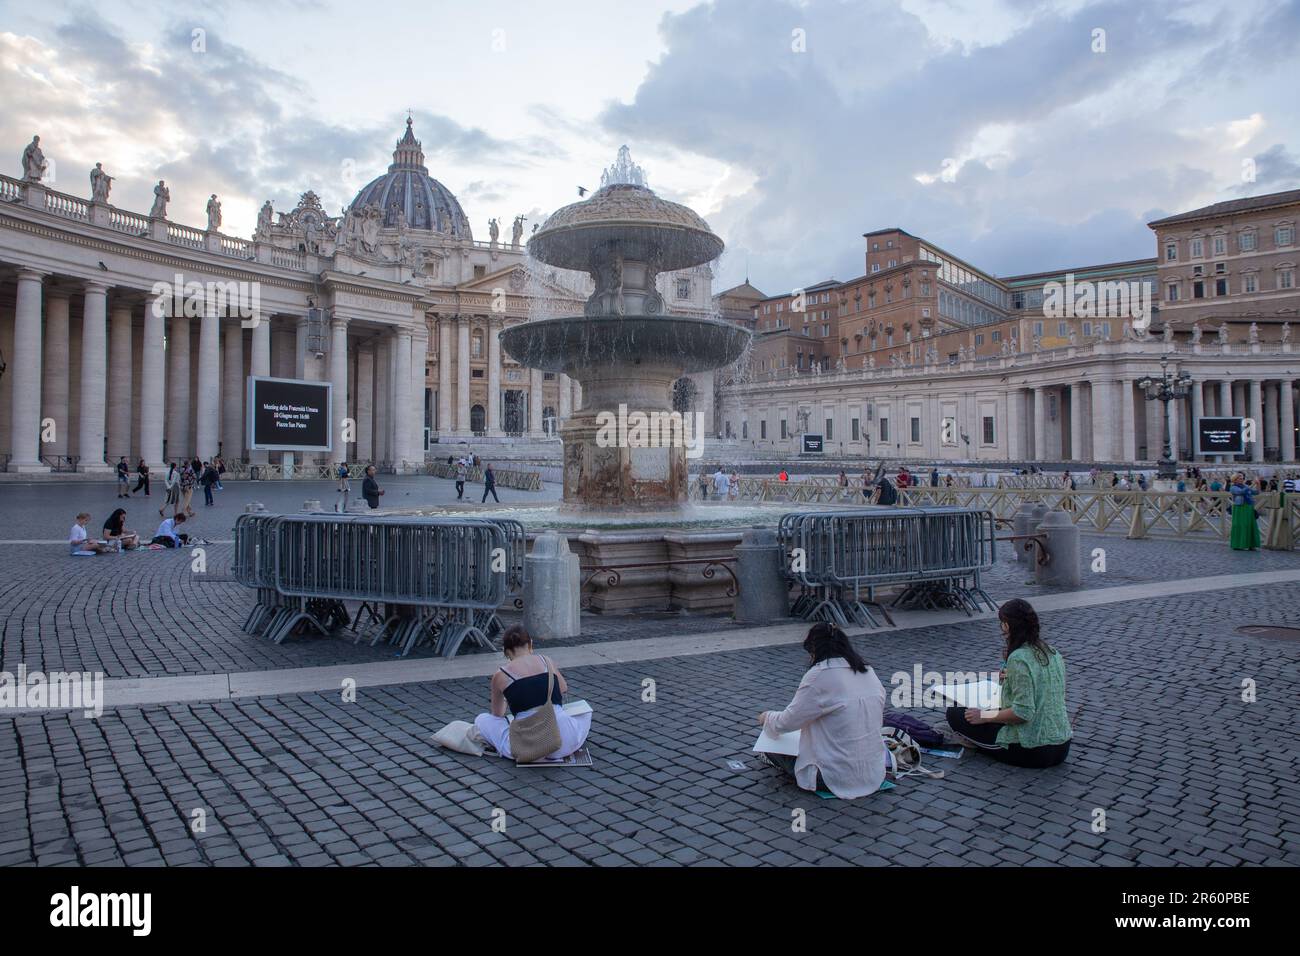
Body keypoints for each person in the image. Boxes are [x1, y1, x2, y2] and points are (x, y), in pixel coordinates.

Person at [758, 622, 887, 799]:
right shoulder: (868, 671)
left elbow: (786, 722)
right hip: (874, 773)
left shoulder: (819, 675)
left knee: (770, 739)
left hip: (831, 777)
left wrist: (767, 717)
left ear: (814, 651)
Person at [945, 598, 1071, 768]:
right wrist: (1010, 680)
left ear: (1010, 627)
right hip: (1062, 745)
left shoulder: (1018, 658)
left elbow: (1023, 712)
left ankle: (981, 743)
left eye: (1003, 626)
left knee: (955, 714)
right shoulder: (1053, 652)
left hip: (1032, 749)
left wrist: (984, 716)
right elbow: (1043, 692)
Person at [473, 625, 591, 761]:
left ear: (505, 651)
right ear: (530, 644)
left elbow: (498, 714)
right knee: (585, 713)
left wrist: (509, 697)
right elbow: (563, 688)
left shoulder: (500, 675)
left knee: (482, 719)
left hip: (530, 747)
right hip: (566, 741)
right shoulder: (546, 661)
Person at [1229, 472, 1261, 551]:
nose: (1242, 480)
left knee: (1250, 525)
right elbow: (1241, 492)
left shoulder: (1246, 486)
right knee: (1240, 525)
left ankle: (1251, 544)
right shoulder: (1233, 487)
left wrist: (1258, 484)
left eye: (1243, 478)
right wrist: (1252, 484)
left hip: (1248, 507)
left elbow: (1256, 492)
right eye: (1240, 478)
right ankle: (1239, 544)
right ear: (1235, 480)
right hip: (1240, 508)